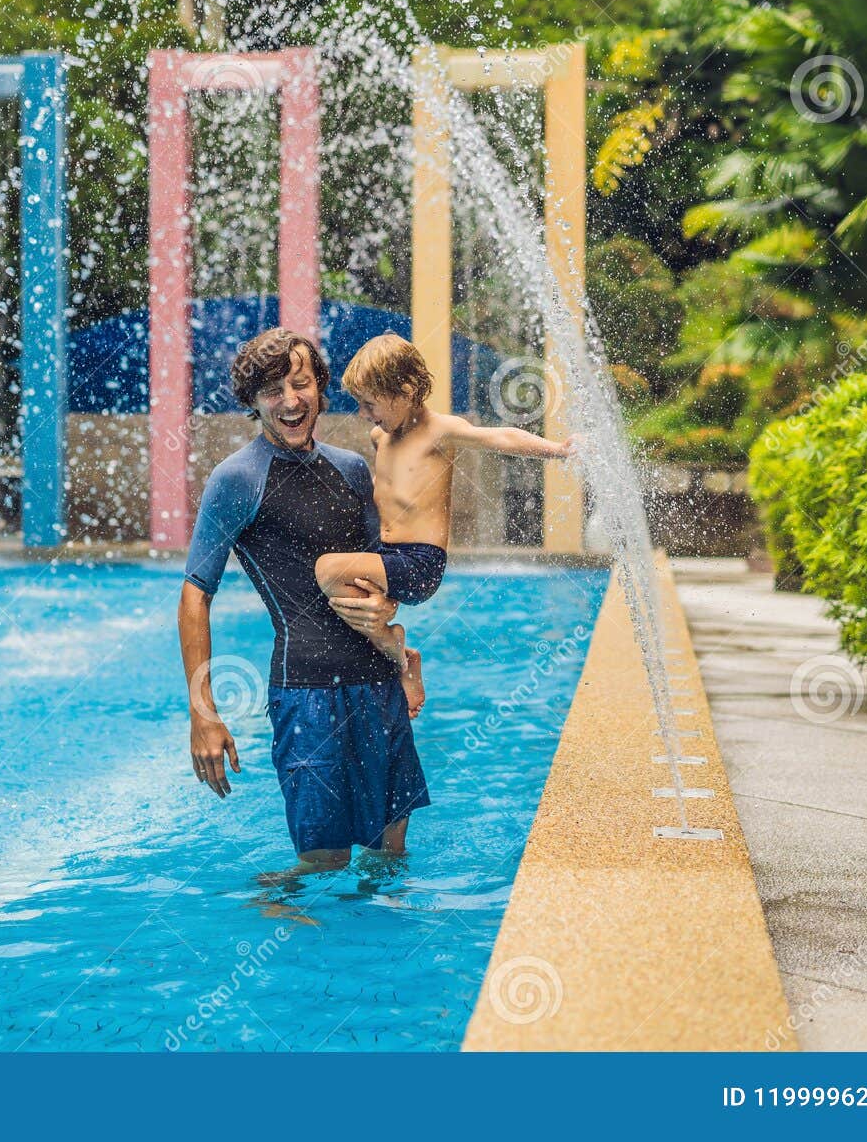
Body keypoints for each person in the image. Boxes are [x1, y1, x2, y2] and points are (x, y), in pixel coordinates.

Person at [177, 327, 430, 874]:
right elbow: (196, 596)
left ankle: (373, 959)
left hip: (379, 687)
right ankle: (272, 902)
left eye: (301, 384)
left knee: (391, 857)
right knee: (323, 864)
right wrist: (203, 714)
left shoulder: (352, 469)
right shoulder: (236, 480)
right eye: (272, 390)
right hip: (306, 695)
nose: (290, 401)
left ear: (319, 388)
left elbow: (375, 580)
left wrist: (402, 655)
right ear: (252, 401)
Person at [314, 333, 576, 717]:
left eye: (369, 404)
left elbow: (501, 436)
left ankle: (396, 648)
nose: (365, 415)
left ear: (404, 391)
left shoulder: (440, 431)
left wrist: (557, 451)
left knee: (326, 569)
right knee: (338, 600)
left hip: (419, 563)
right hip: (386, 557)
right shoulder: (379, 437)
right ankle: (398, 649)